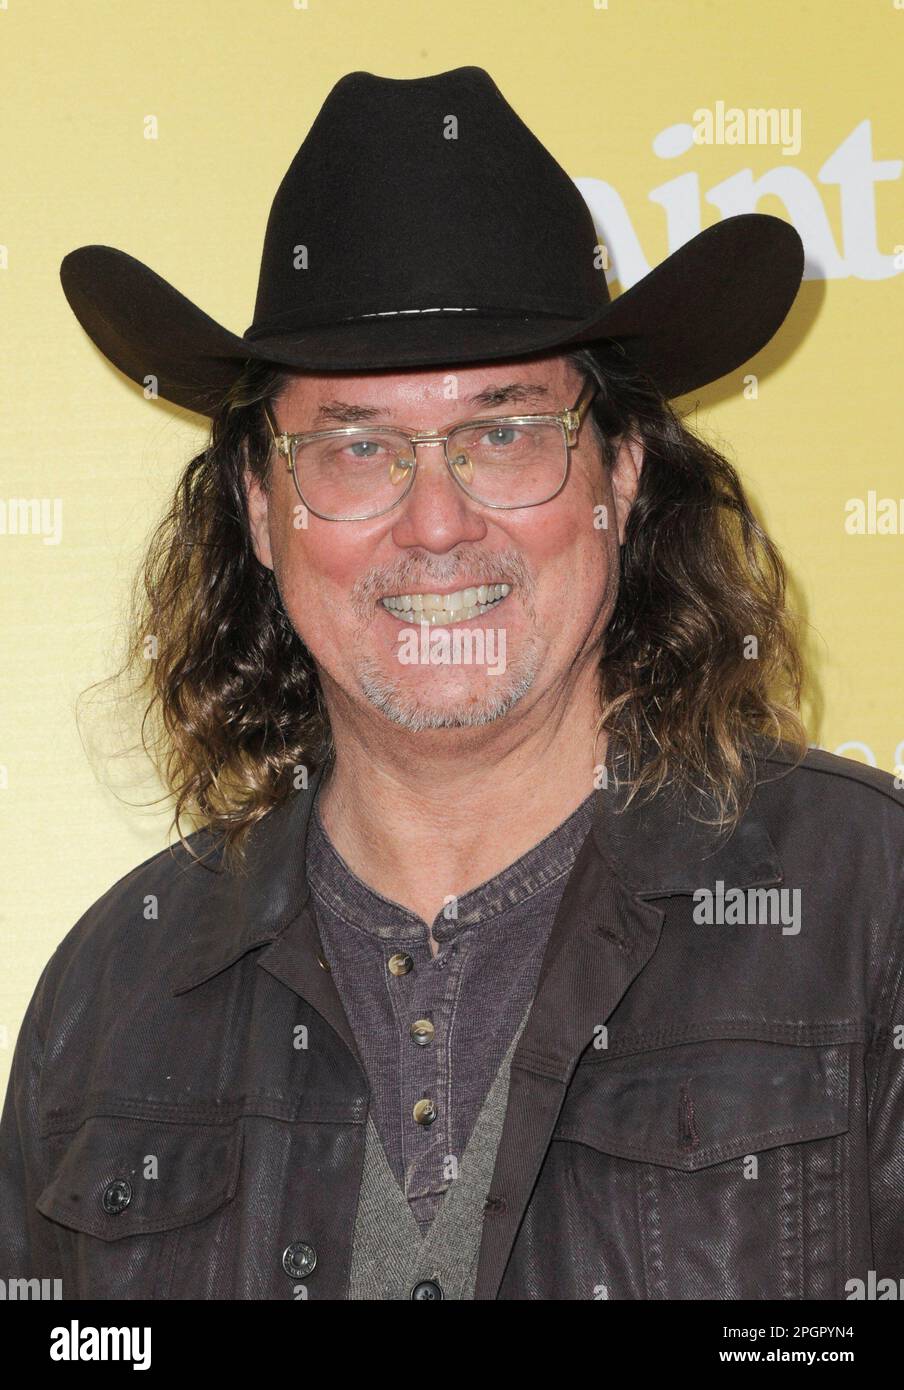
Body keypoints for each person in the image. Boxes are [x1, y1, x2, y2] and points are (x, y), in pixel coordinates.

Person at [1, 66, 901, 1301]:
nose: (436, 523)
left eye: (504, 431)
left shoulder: (866, 911)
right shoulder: (111, 997)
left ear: (621, 474)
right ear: (263, 508)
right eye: (357, 446)